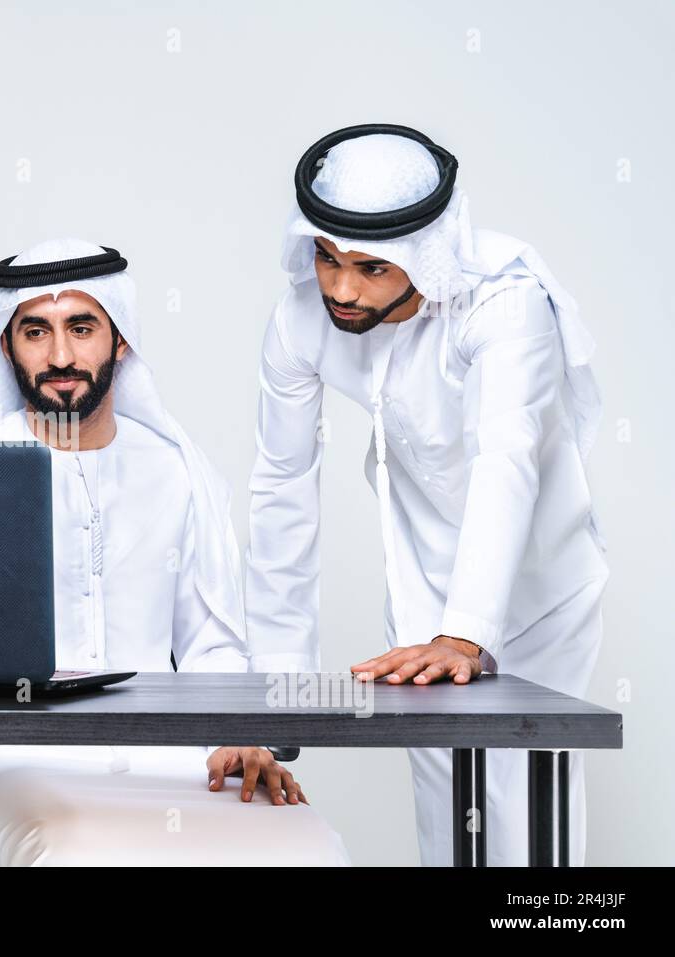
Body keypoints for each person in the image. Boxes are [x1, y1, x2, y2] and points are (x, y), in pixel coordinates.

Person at [244, 124, 608, 865]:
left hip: (541, 593)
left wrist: (466, 634)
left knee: (524, 821)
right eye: (326, 257)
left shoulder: (504, 306)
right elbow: (281, 488)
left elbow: (504, 459)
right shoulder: (302, 319)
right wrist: (274, 687)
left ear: (424, 255)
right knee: (449, 821)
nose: (341, 287)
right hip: (420, 595)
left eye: (371, 267)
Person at [0, 238, 352, 866]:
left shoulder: (175, 470)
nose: (61, 355)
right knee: (74, 850)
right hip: (4, 753)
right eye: (36, 332)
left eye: (82, 327)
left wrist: (242, 737)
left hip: (172, 749)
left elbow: (212, 641)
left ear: (119, 339)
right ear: (7, 346)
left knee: (307, 848)